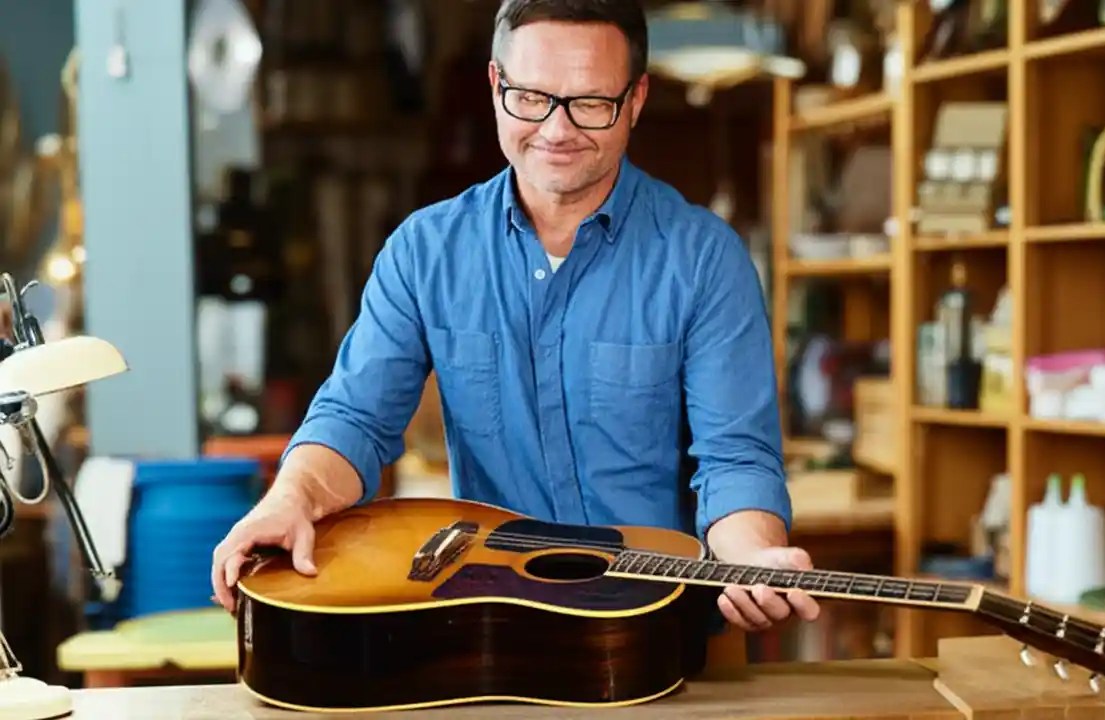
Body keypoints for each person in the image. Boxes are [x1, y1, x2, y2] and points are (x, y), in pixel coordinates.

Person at [211, 0, 820, 634]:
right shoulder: (427, 252)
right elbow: (354, 418)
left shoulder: (702, 259)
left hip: (660, 636)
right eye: (531, 97)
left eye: (590, 103)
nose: (557, 131)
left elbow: (735, 459)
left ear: (636, 98)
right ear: (497, 85)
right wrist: (291, 499)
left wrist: (749, 555)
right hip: (491, 634)